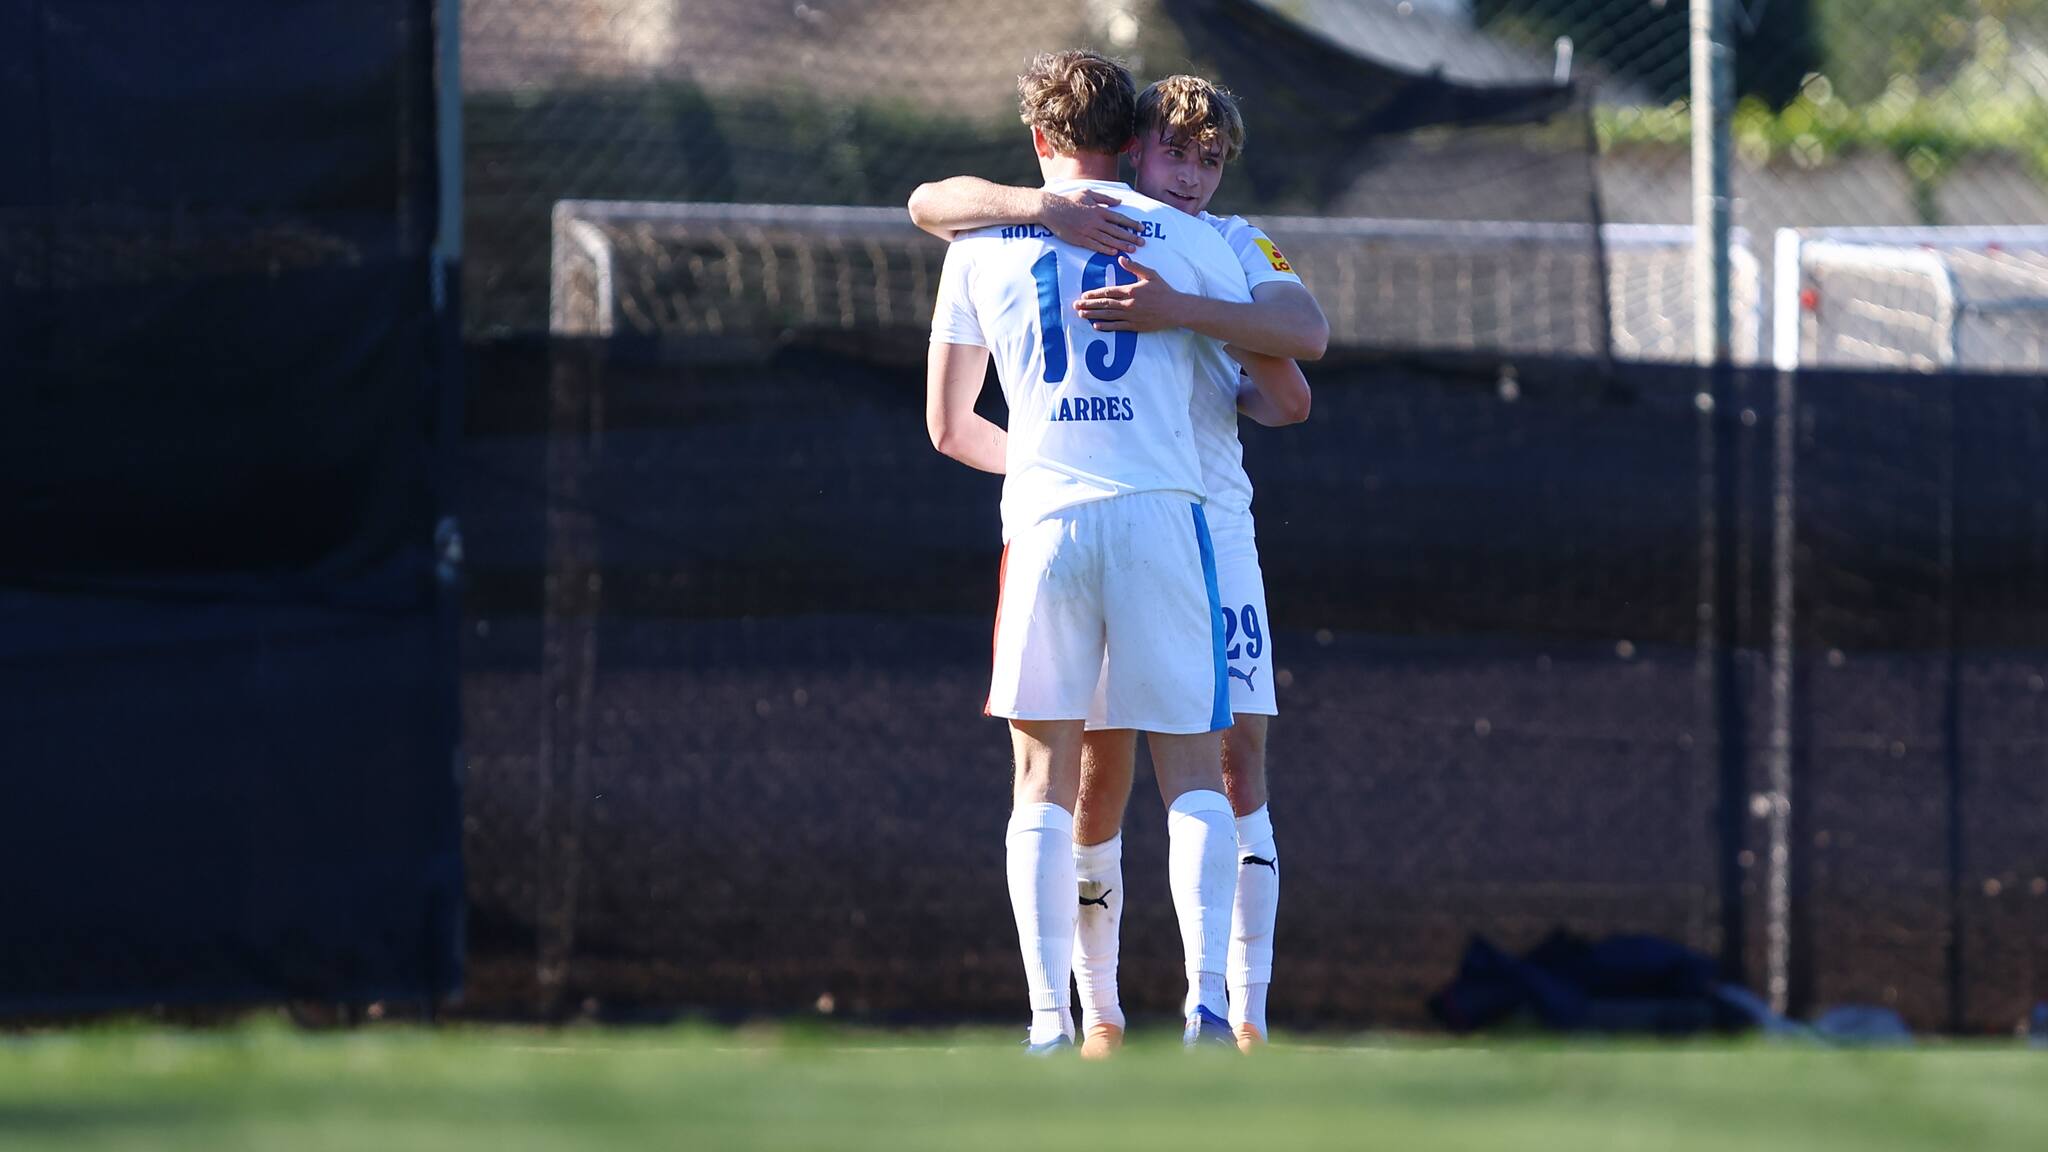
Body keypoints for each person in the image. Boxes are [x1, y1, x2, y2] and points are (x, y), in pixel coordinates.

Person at [911, 73, 1327, 1055]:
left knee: (1224, 763)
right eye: (1173, 152)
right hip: (1155, 521)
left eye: (1209, 159)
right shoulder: (1140, 229)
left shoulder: (1216, 244)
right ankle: (1100, 1012)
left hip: (1192, 524)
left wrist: (1181, 310)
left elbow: (1298, 355)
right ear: (1131, 145)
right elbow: (933, 203)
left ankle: (1226, 1013)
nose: (1189, 176)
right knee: (1103, 774)